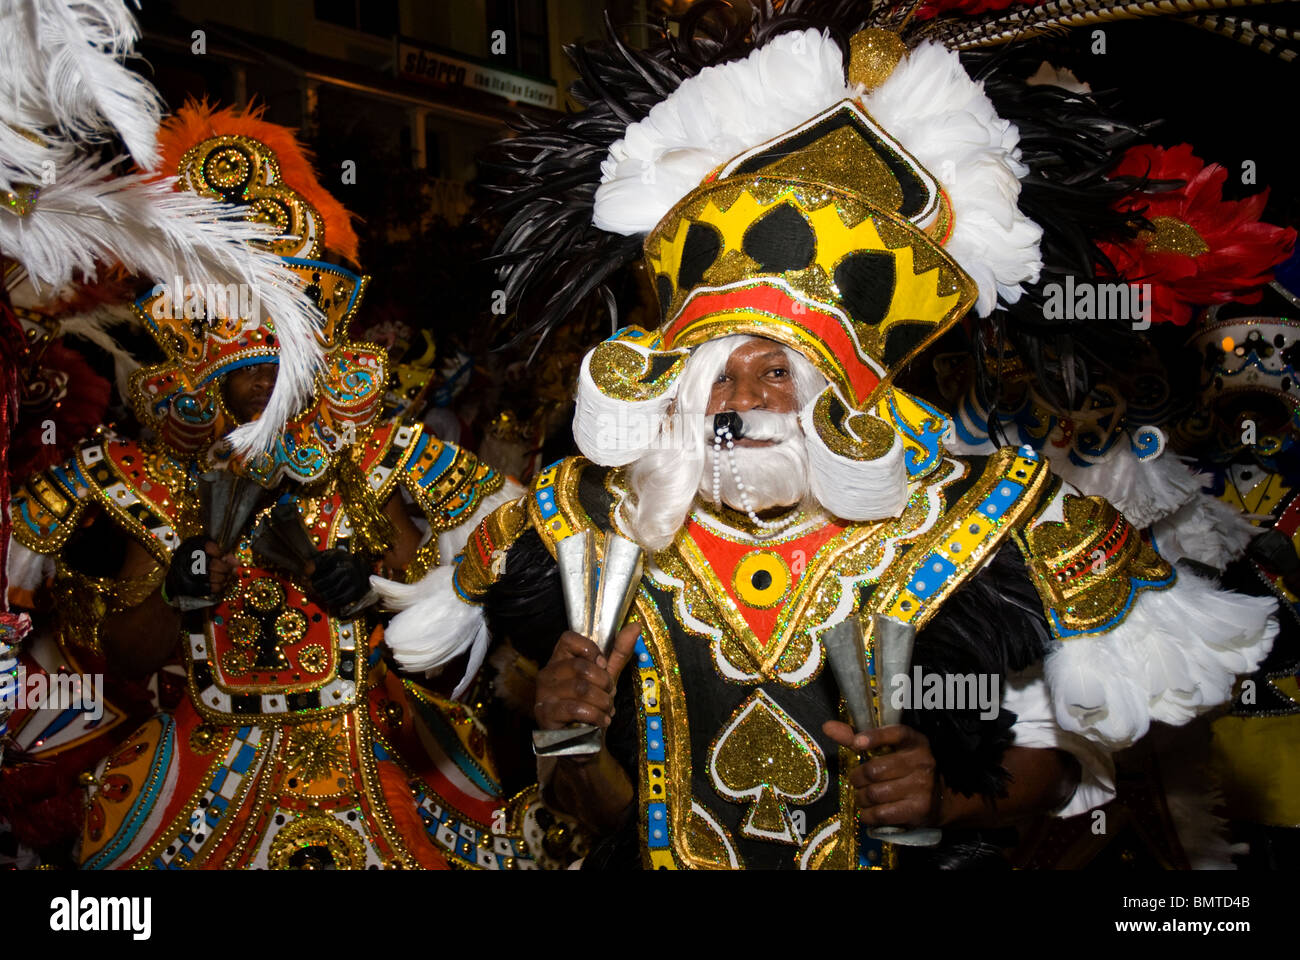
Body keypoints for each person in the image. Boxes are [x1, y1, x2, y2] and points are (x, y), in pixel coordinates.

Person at [375, 11, 1279, 869]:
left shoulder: (974, 535)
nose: (745, 400)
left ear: (843, 400)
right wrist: (565, 729)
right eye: (719, 376)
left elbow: (1043, 774)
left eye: (777, 374)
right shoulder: (594, 536)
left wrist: (943, 801)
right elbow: (595, 808)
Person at [9, 103, 544, 869]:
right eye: (241, 376)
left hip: (362, 737)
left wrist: (377, 596)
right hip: (209, 749)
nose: (260, 387)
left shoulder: (372, 458)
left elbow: (440, 624)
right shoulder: (159, 477)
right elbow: (129, 655)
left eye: (275, 369)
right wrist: (181, 589)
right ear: (202, 381)